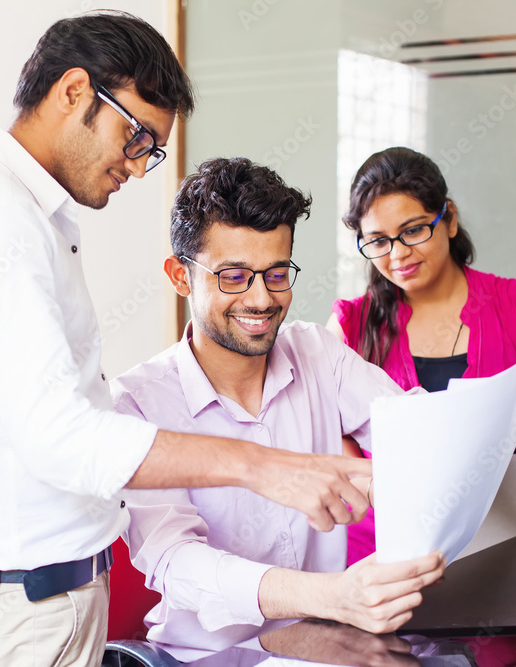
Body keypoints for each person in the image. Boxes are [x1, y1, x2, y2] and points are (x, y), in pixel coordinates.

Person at [0, 12, 372, 667]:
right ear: (74, 92)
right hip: (19, 608)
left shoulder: (33, 219)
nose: (140, 164)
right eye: (138, 138)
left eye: (151, 148)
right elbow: (60, 436)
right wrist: (266, 466)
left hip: (53, 596)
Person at [113, 157, 445, 660]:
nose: (261, 298)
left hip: (327, 647)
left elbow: (412, 430)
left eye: (275, 273)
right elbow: (177, 562)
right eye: (233, 277)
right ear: (181, 276)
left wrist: (405, 469)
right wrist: (333, 597)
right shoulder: (137, 403)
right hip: (210, 657)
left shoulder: (316, 351)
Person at [327, 146, 516, 572]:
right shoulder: (350, 327)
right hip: (384, 554)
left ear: (448, 218)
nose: (398, 254)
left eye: (412, 231)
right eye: (378, 241)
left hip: (513, 548)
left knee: (507, 643)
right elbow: (338, 455)